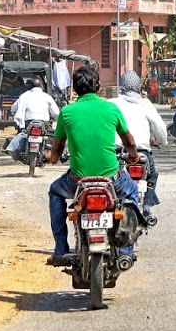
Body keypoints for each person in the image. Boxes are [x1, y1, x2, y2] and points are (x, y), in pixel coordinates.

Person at [46, 65, 142, 266]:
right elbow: (129, 142)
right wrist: (133, 157)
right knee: (133, 193)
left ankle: (61, 249)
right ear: (98, 86)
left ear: (74, 89)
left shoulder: (66, 112)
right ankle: (125, 250)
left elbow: (56, 150)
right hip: (112, 180)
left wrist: (52, 158)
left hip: (78, 181)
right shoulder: (111, 108)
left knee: (55, 192)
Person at [115, 70, 168, 210]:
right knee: (152, 175)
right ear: (139, 87)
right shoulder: (145, 104)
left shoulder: (111, 103)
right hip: (142, 153)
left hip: (117, 152)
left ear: (121, 86)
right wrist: (160, 142)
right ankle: (146, 207)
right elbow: (160, 130)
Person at [7, 75, 60, 155]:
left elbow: (13, 108)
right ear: (42, 86)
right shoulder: (47, 97)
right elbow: (56, 113)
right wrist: (56, 119)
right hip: (44, 123)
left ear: (30, 86)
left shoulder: (24, 96)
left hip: (28, 122)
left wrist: (15, 113)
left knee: (22, 134)